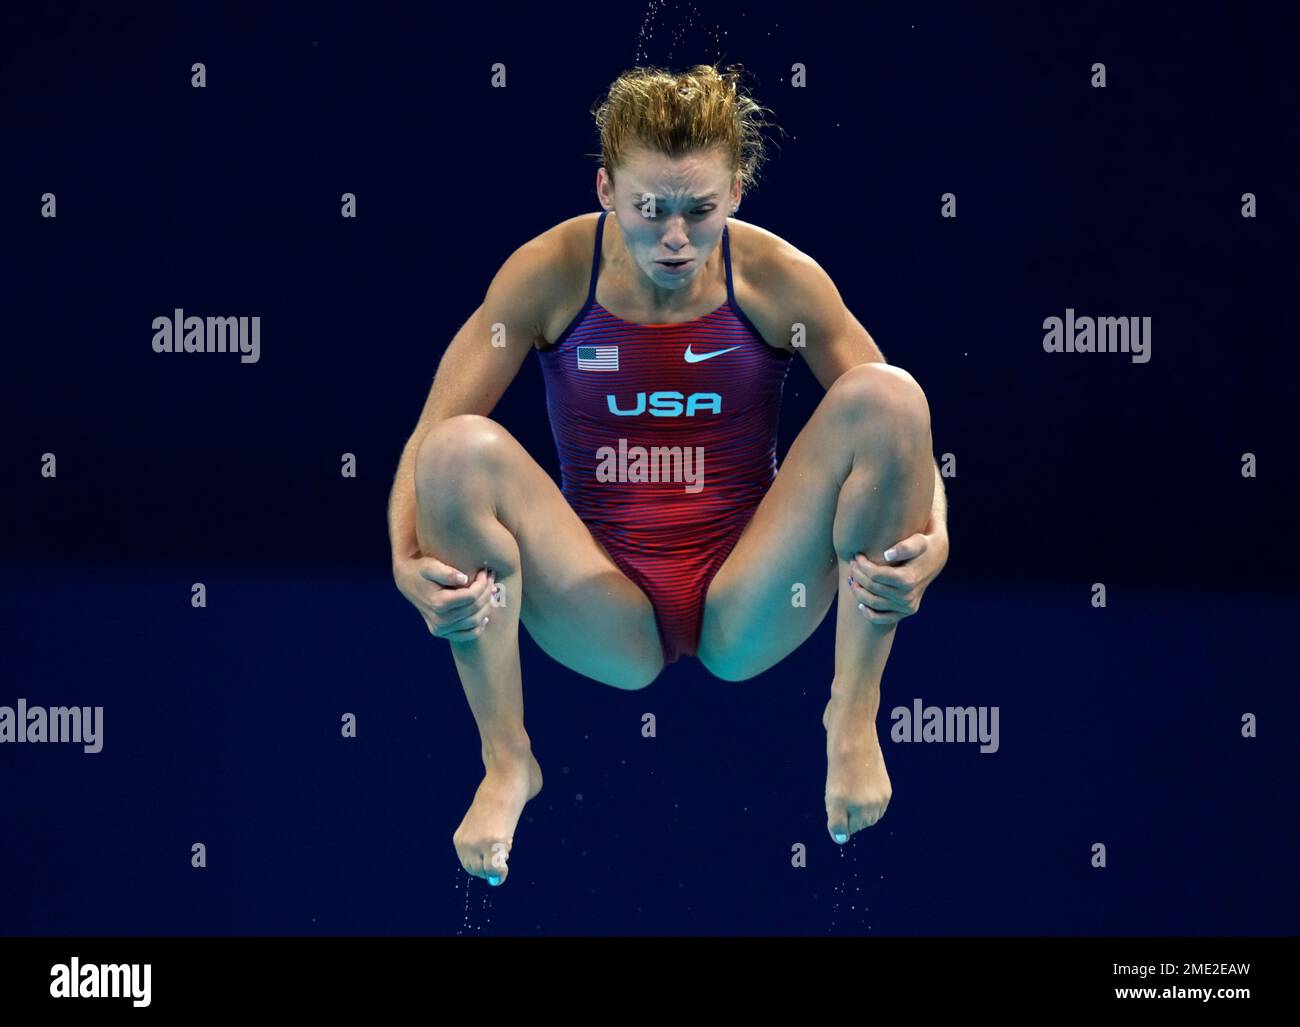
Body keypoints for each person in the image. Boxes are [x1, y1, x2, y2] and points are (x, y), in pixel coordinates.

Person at [388, 65, 949, 887]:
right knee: (452, 453)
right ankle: (507, 759)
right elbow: (426, 432)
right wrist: (405, 560)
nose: (676, 238)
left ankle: (852, 715)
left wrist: (937, 535)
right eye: (650, 209)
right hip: (599, 601)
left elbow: (908, 443)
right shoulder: (551, 272)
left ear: (737, 192)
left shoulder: (778, 279)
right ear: (607, 190)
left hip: (751, 594)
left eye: (700, 210)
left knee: (890, 396)